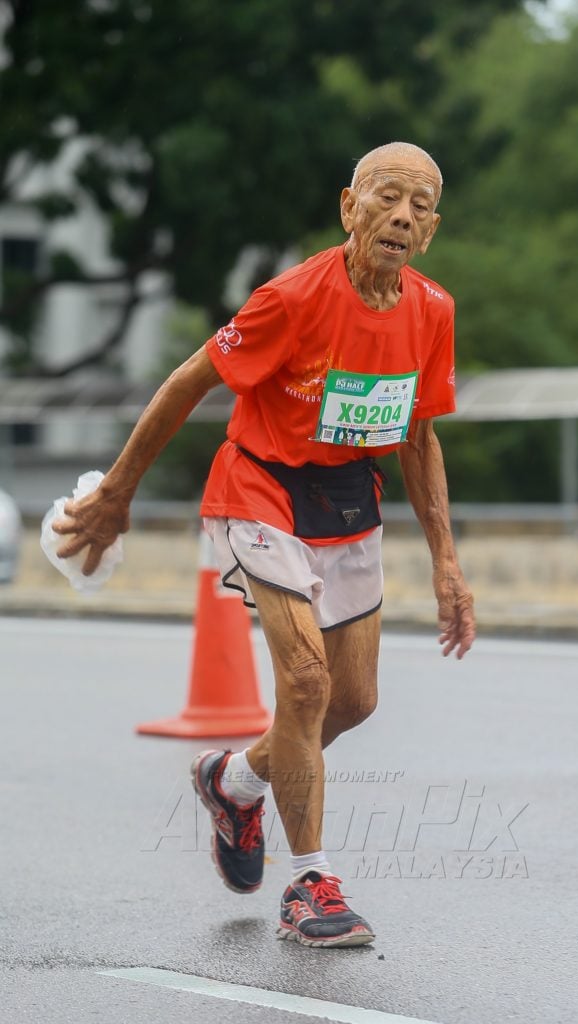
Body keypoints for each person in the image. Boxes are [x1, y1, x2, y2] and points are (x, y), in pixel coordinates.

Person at [53, 141, 476, 948]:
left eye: (419, 206)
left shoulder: (431, 310)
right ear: (347, 207)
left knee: (354, 701)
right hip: (260, 488)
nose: (400, 216)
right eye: (386, 198)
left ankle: (233, 781)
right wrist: (116, 490)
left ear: (431, 228)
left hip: (347, 499)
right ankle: (310, 885)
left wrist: (446, 563)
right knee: (308, 686)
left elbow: (418, 439)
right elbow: (188, 380)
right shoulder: (292, 299)